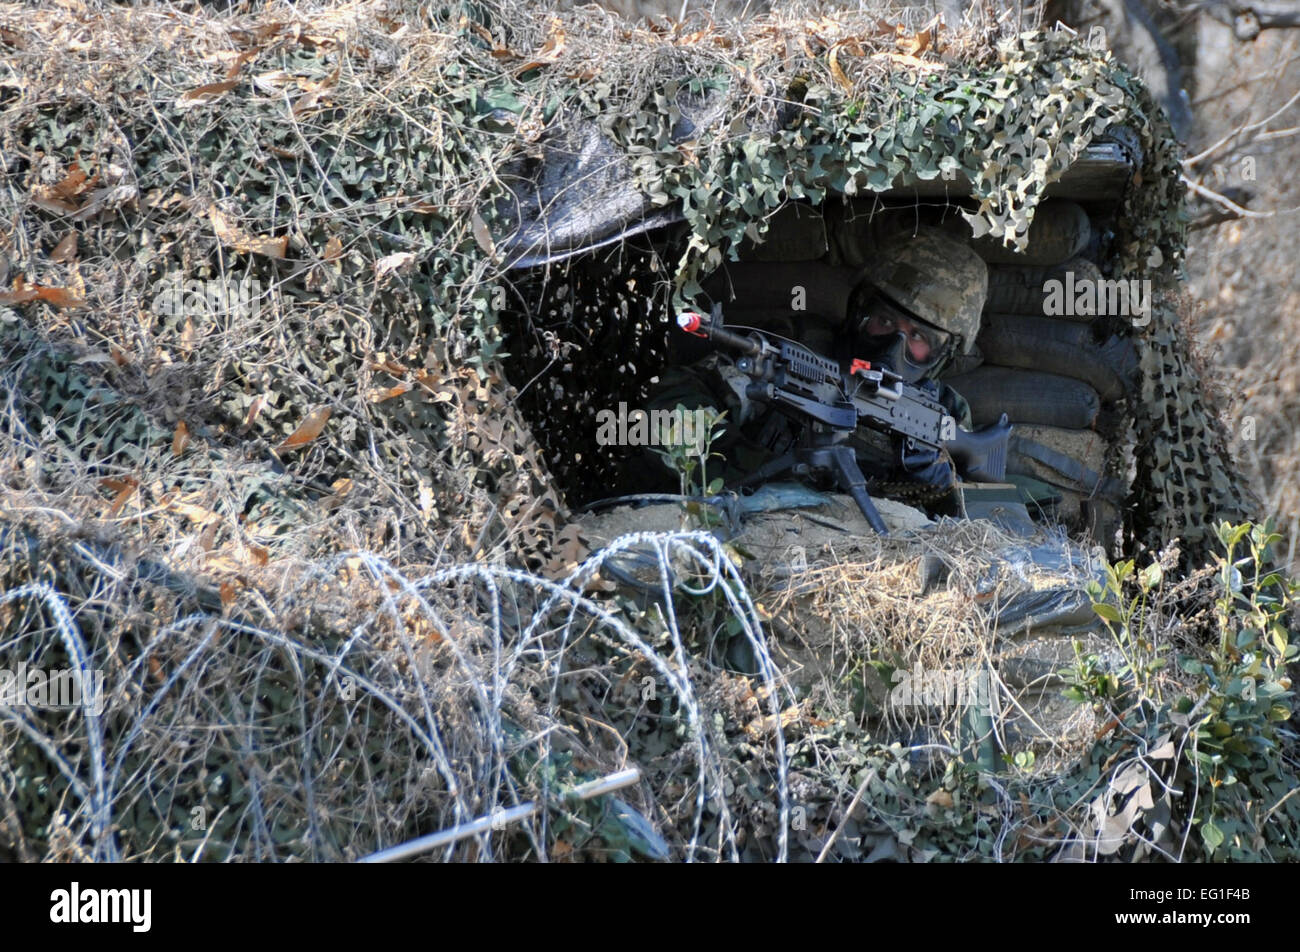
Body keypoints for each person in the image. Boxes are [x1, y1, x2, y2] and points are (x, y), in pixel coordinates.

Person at [643, 227, 988, 504]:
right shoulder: (799, 350)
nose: (893, 346)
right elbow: (671, 411)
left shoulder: (945, 411)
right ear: (858, 311)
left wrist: (941, 485)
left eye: (919, 338)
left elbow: (990, 514)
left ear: (945, 354)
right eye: (884, 320)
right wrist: (762, 471)